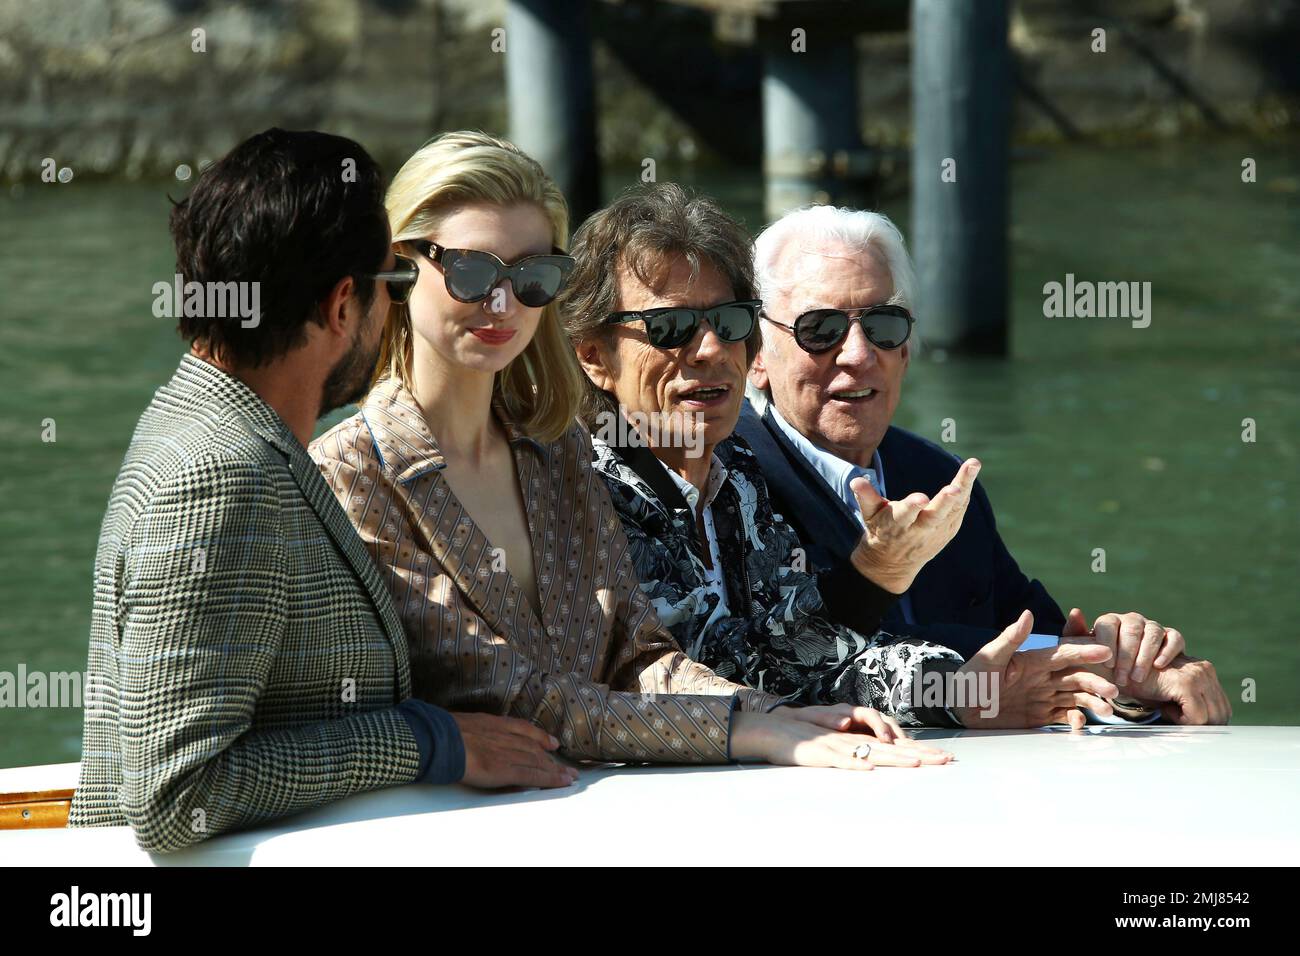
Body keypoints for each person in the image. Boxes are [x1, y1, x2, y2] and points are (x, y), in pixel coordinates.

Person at [310, 130, 954, 768]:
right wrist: (750, 730)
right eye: (472, 271)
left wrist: (766, 714)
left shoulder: (555, 455)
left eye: (535, 276)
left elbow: (638, 657)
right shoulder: (349, 473)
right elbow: (508, 696)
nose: (503, 301)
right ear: (399, 270)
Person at [69, 129, 575, 855]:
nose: (388, 313)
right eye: (386, 289)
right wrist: (429, 741)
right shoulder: (222, 477)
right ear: (344, 306)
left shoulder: (206, 426)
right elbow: (177, 794)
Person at [564, 182, 1119, 728]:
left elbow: (809, 657)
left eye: (728, 323)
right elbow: (703, 665)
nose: (710, 349)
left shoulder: (739, 484)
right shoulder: (577, 490)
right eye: (670, 327)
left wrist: (1105, 666)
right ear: (593, 356)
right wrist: (879, 573)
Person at [739, 204, 1230, 724]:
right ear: (756, 355)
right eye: (820, 329)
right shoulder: (728, 482)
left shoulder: (941, 476)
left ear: (905, 350)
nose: (858, 354)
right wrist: (970, 693)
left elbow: (1041, 642)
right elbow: (766, 666)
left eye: (883, 325)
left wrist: (1136, 671)